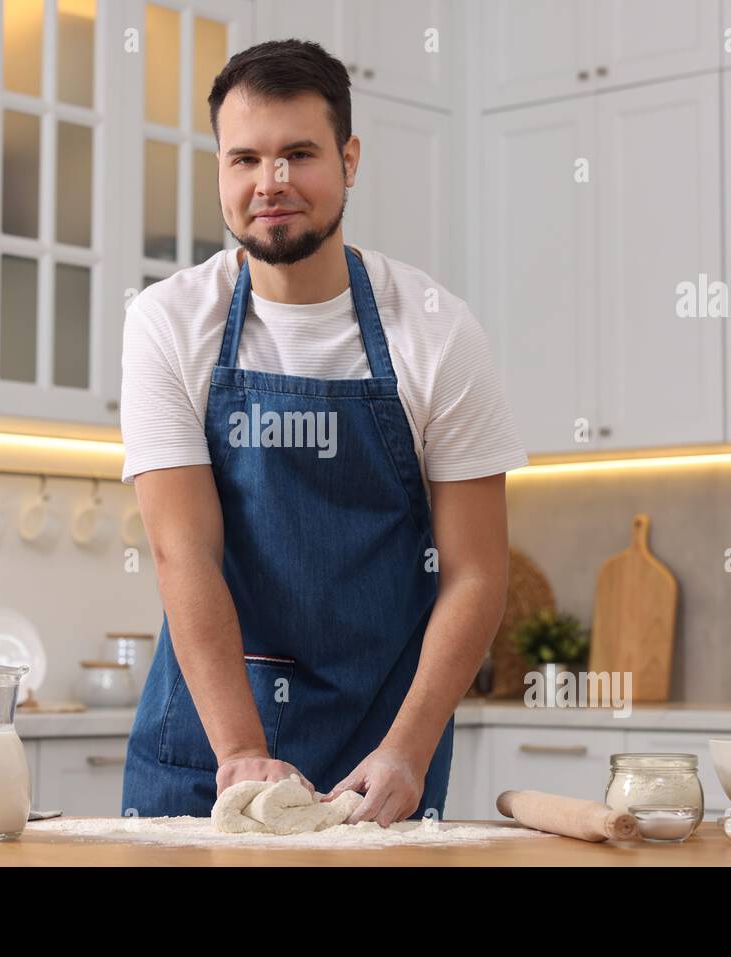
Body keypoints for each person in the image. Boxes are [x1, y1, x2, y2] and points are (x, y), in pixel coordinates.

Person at [119, 39, 527, 827]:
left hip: (379, 763)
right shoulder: (168, 322)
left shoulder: (437, 333)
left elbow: (476, 571)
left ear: (348, 160)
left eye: (297, 154)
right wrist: (239, 747)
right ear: (219, 172)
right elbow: (183, 549)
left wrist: (407, 747)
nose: (268, 184)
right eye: (243, 159)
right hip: (204, 755)